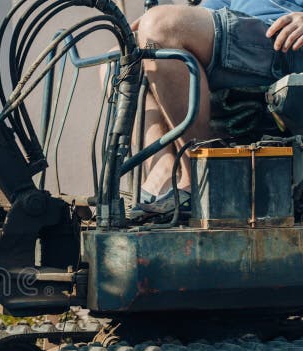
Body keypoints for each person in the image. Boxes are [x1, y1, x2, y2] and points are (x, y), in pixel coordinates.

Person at [129, 0, 303, 217]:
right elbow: (207, 12)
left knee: (161, 26)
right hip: (240, 39)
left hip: (286, 44)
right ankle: (163, 175)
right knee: (120, 58)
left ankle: (201, 179)